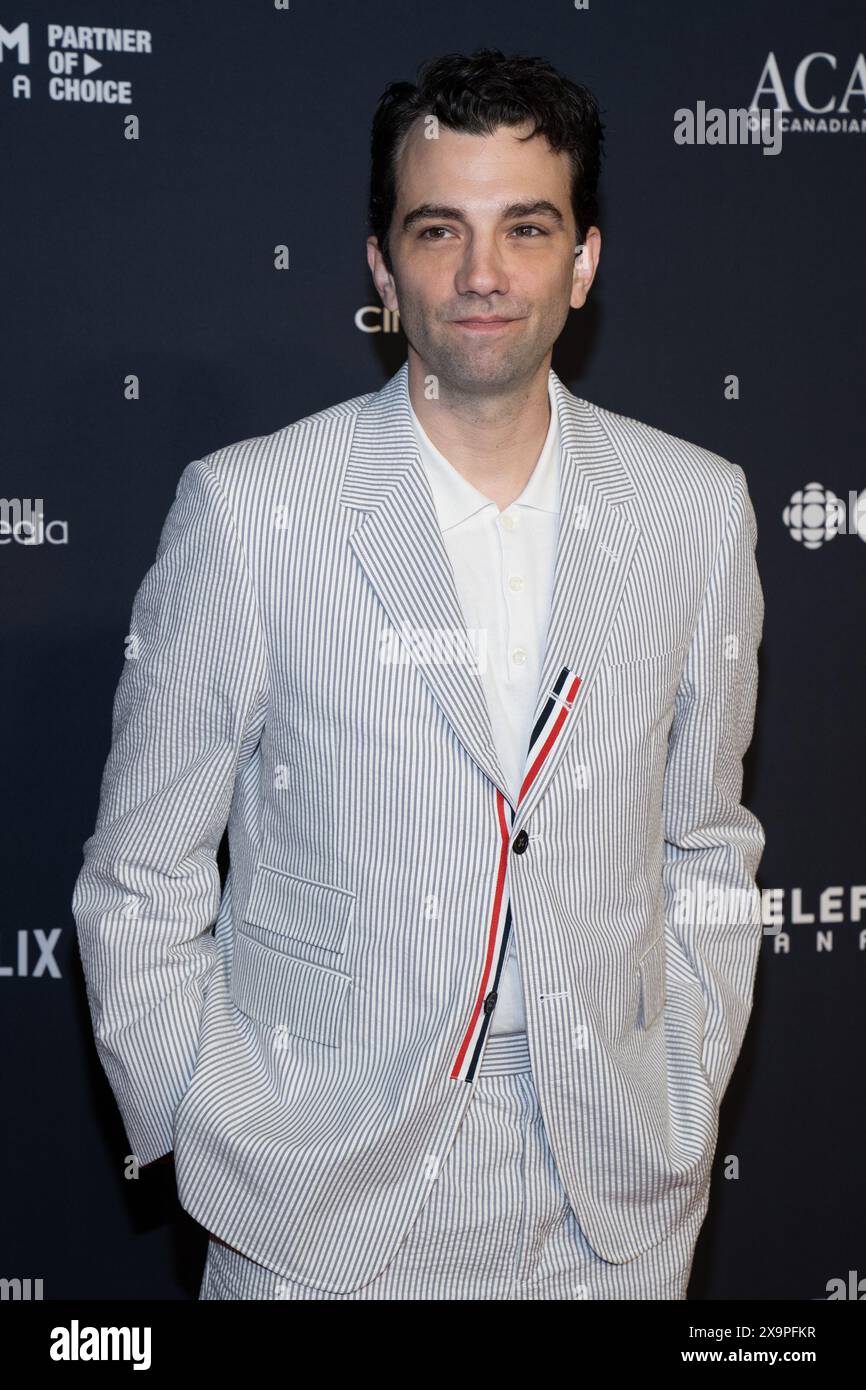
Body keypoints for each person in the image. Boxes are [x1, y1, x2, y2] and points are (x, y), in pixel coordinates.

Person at [72, 48, 766, 1300]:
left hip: (610, 1210)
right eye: (438, 229)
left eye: (526, 228)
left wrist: (681, 1091)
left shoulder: (693, 511)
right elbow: (140, 872)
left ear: (584, 260)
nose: (483, 273)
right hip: (317, 1205)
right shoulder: (250, 512)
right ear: (383, 267)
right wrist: (214, 1130)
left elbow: (705, 846)